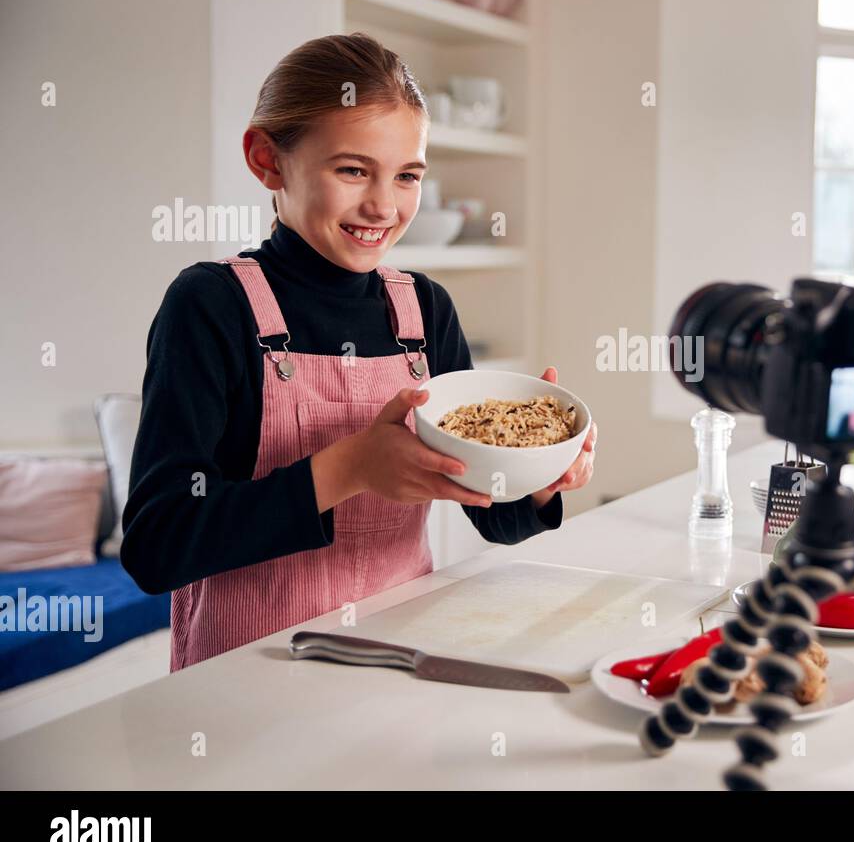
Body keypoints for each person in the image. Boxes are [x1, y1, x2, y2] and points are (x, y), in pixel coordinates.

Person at [121, 33, 596, 670]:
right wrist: (349, 468)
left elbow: (495, 515)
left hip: (401, 660)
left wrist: (540, 477)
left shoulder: (424, 310)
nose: (383, 204)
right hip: (246, 679)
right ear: (267, 159)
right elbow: (158, 545)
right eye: (352, 170)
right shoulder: (211, 305)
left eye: (407, 176)